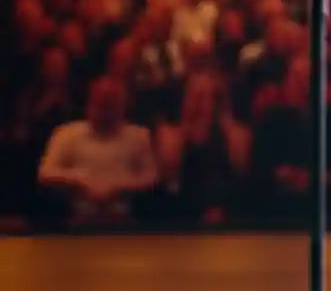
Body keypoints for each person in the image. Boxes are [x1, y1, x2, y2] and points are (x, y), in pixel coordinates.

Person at [37, 77, 157, 226]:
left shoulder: (138, 137)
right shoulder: (66, 134)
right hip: (76, 221)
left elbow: (150, 176)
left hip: (124, 223)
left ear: (123, 105)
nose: (107, 113)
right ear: (90, 103)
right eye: (102, 105)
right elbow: (46, 172)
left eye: (112, 106)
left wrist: (118, 187)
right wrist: (79, 180)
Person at [155, 72, 250, 225]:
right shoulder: (170, 135)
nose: (199, 102)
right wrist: (185, 130)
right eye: (194, 96)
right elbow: (169, 178)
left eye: (205, 96)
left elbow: (241, 171)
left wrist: (227, 126)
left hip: (226, 214)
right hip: (181, 213)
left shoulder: (233, 135)